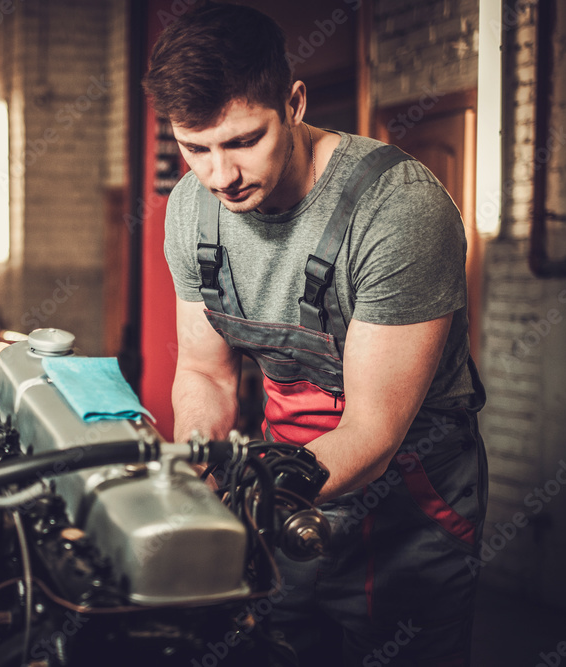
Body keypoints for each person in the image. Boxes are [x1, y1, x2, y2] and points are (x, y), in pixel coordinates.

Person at [142, 3, 488, 666]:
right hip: (284, 498)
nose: (219, 175)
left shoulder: (398, 210)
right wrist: (199, 469)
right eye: (196, 147)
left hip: (408, 514)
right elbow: (205, 374)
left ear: (293, 103)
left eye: (244, 140)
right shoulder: (192, 208)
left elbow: (373, 433)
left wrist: (244, 491)